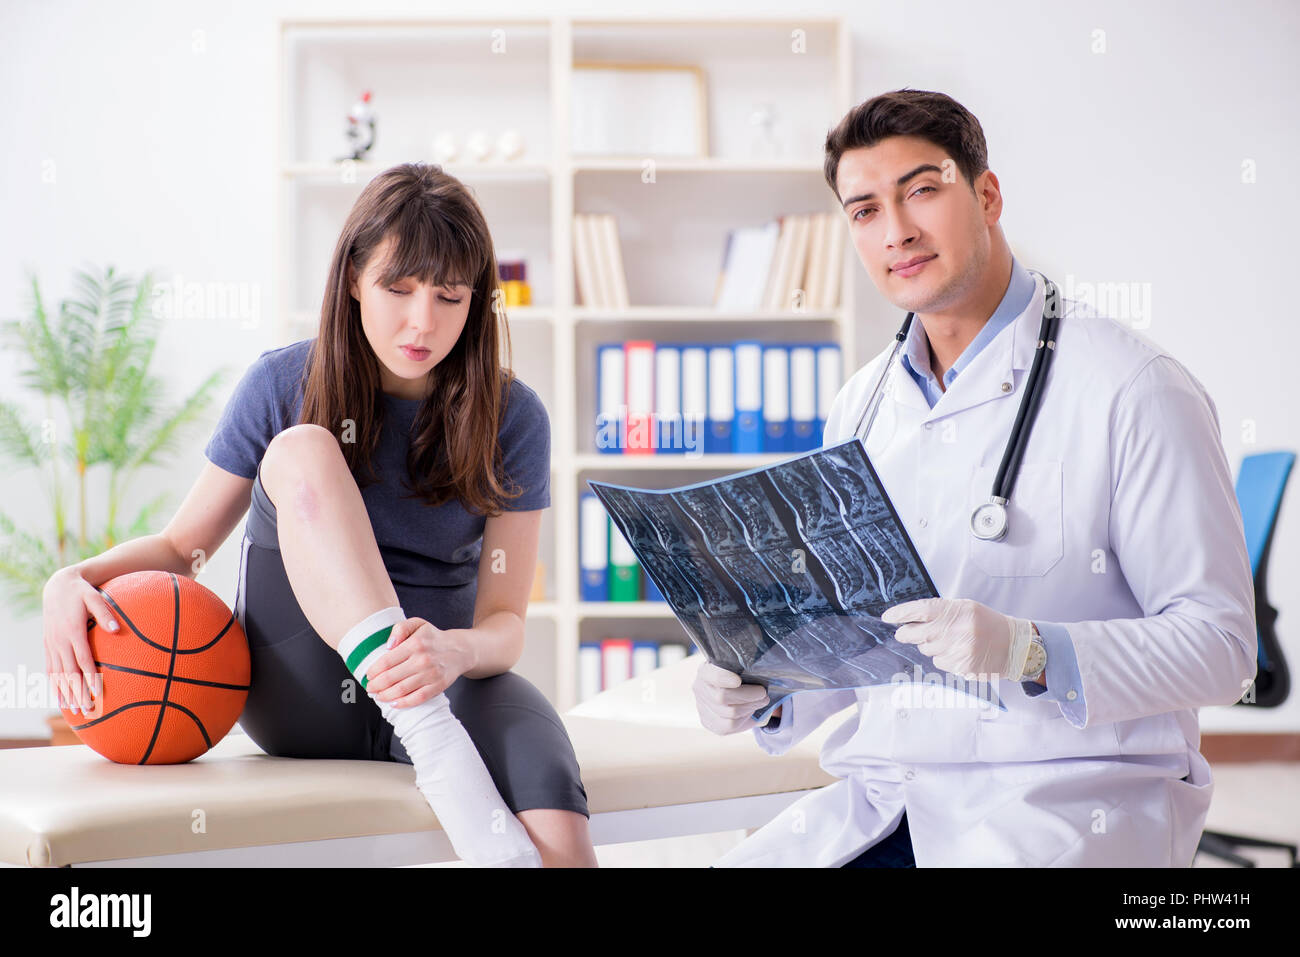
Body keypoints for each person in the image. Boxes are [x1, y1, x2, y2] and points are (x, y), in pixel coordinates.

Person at [695, 89, 1257, 867]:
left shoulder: (1134, 387)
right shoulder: (862, 406)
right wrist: (767, 688)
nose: (896, 231)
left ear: (986, 195)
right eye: (864, 210)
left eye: (921, 190)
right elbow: (866, 646)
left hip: (1064, 801)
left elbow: (1222, 648)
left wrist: (1030, 649)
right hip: (889, 793)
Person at [41, 162, 597, 868]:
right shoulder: (282, 382)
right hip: (302, 686)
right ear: (354, 278)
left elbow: (505, 624)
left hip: (437, 674)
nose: (422, 321)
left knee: (558, 817)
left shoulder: (514, 416)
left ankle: (429, 725)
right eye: (398, 288)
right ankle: (428, 735)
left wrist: (455, 651)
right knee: (304, 447)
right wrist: (71, 577)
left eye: (450, 297)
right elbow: (187, 548)